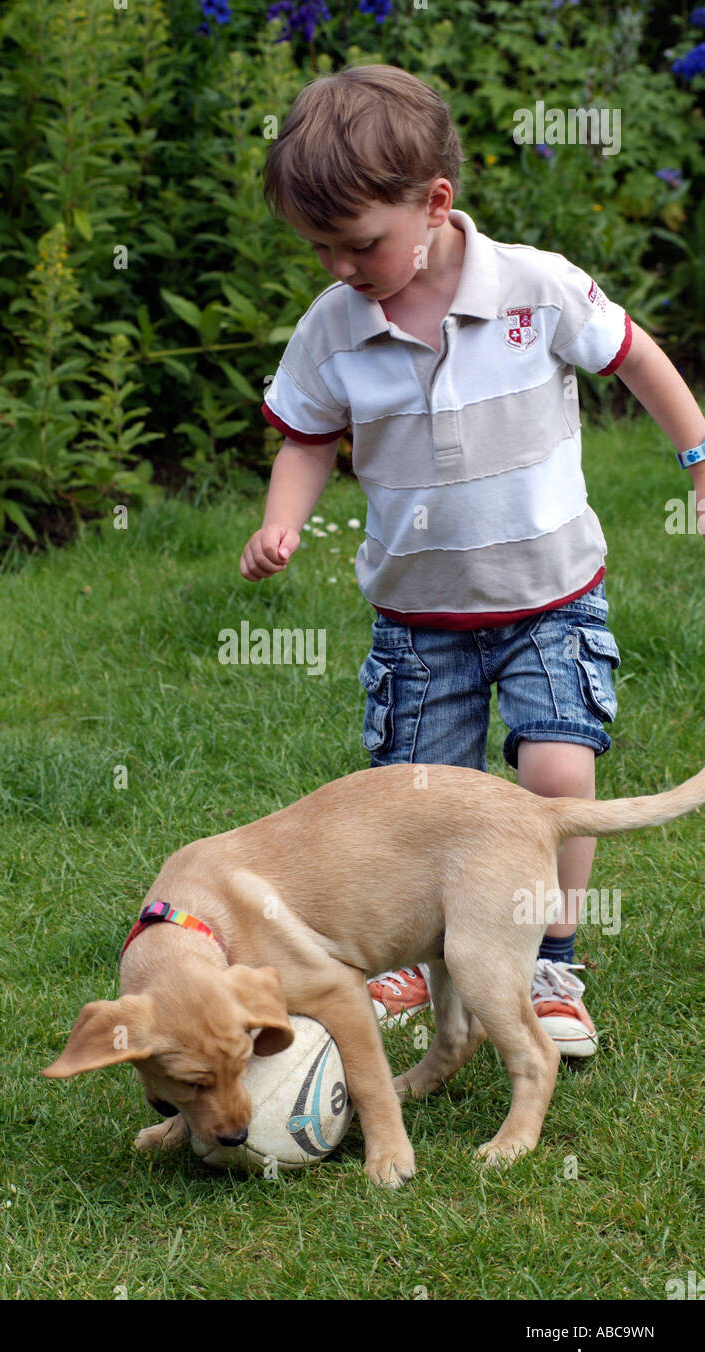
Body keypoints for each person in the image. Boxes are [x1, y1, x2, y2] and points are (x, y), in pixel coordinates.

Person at [239, 64, 705, 1057]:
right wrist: (283, 520)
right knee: (416, 799)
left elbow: (632, 354)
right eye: (317, 246)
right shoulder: (334, 327)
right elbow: (306, 438)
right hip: (418, 617)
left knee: (554, 772)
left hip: (549, 599)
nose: (336, 267)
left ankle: (548, 961)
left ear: (434, 203)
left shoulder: (535, 287)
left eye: (357, 243)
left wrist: (697, 452)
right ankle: (417, 951)